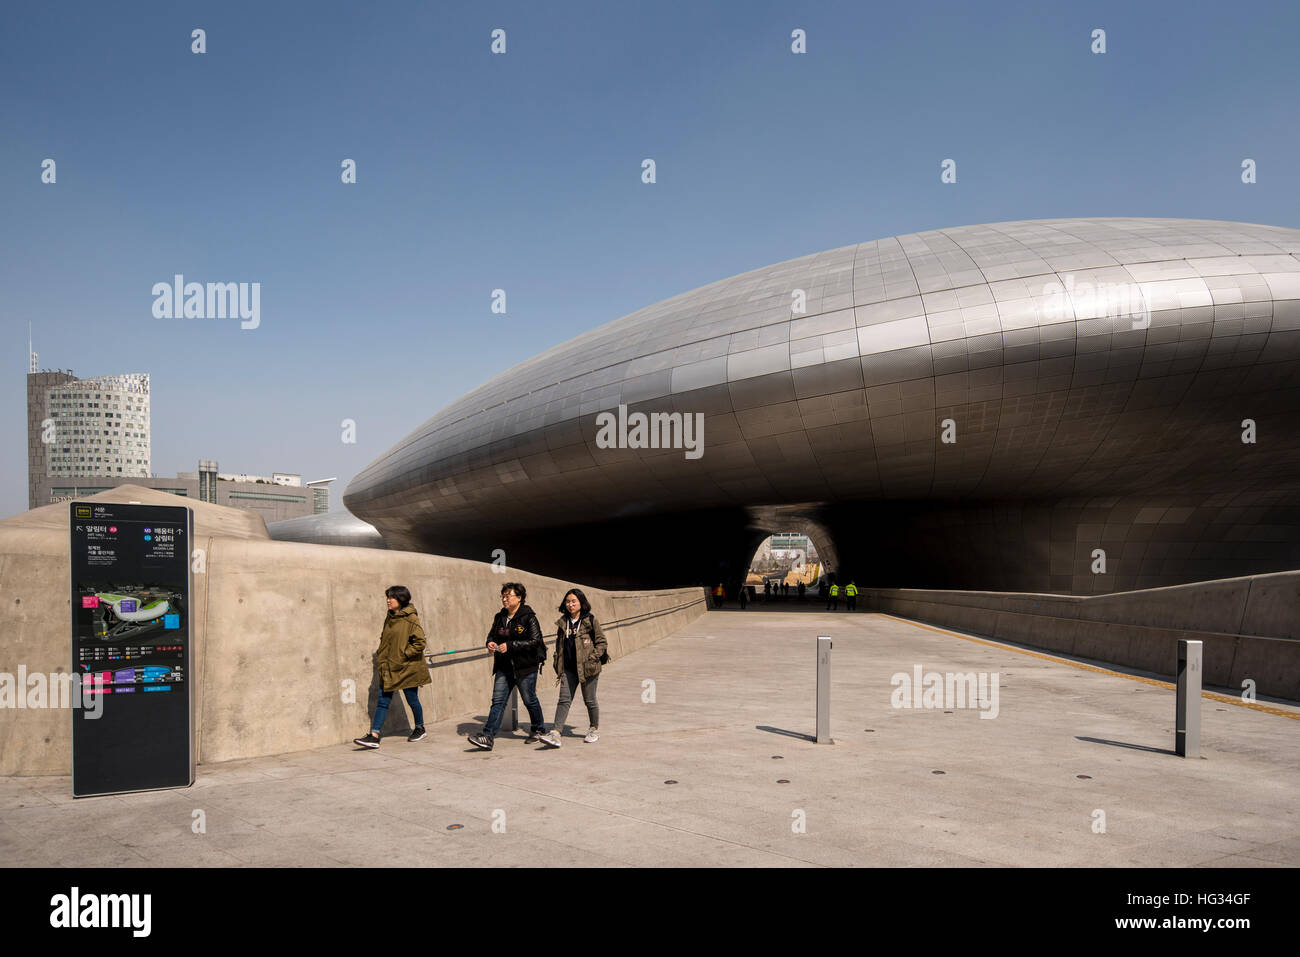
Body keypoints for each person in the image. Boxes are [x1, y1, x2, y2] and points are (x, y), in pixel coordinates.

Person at [467, 582, 548, 751]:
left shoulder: (528, 616)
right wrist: (490, 643)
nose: (504, 599)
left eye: (508, 596)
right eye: (503, 596)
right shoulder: (500, 617)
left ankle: (538, 729)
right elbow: (491, 635)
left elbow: (535, 641)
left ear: (519, 598)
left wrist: (511, 645)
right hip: (504, 666)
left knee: (529, 699)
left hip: (525, 666)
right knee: (498, 702)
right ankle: (488, 736)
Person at [354, 585, 430, 749]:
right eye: (387, 597)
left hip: (406, 668)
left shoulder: (411, 618)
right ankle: (374, 736)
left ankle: (420, 727)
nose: (388, 600)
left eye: (391, 597)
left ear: (401, 599)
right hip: (388, 667)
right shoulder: (389, 617)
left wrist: (403, 655)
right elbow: (384, 639)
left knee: (412, 699)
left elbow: (420, 642)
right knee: (383, 701)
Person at [539, 588, 607, 747]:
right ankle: (555, 733)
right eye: (568, 601)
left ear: (581, 603)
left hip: (588, 668)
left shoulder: (590, 620)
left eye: (573, 601)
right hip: (568, 669)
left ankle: (593, 728)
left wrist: (593, 657)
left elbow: (602, 642)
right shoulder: (563, 622)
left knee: (589, 700)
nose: (570, 604)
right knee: (564, 700)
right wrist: (558, 663)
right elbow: (560, 645)